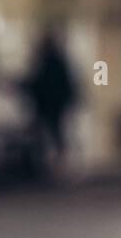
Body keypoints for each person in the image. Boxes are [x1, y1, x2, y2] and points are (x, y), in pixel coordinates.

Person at [21, 28, 79, 168]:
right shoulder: (55, 60)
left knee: (50, 133)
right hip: (51, 104)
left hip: (49, 104)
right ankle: (49, 163)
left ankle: (50, 163)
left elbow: (41, 82)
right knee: (52, 133)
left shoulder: (48, 61)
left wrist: (26, 86)